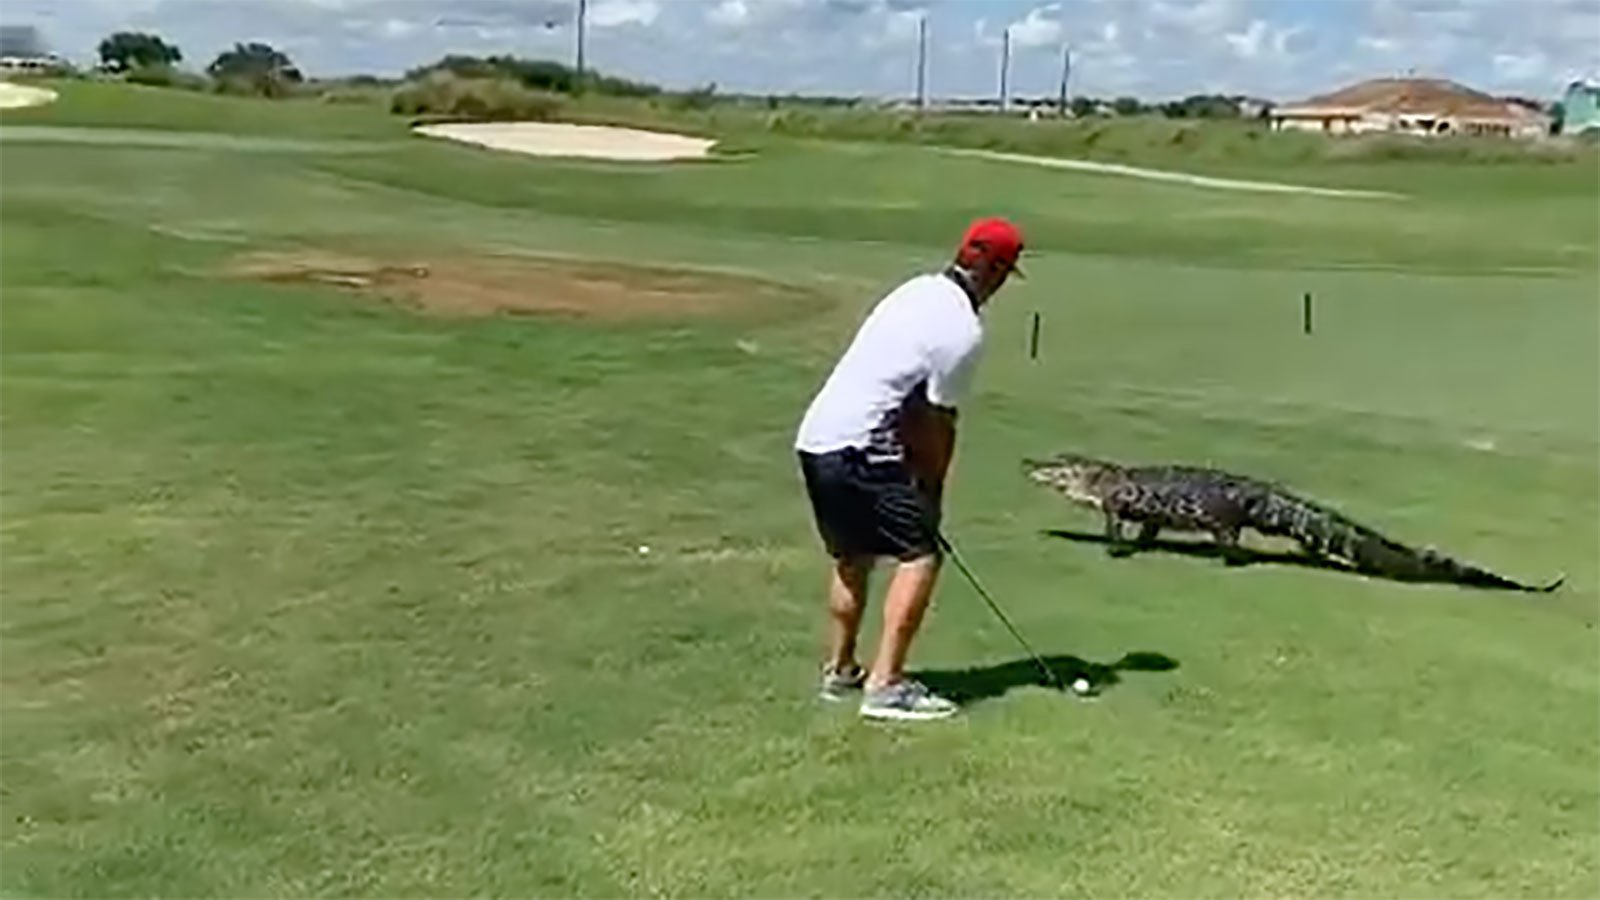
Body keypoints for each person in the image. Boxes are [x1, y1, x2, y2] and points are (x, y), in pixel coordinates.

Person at [793, 217, 1025, 721]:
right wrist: (931, 493)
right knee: (921, 554)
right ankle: (886, 686)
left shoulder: (915, 290)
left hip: (817, 439)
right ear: (997, 272)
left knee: (852, 557)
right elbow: (934, 423)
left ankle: (840, 670)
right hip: (863, 446)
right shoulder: (963, 330)